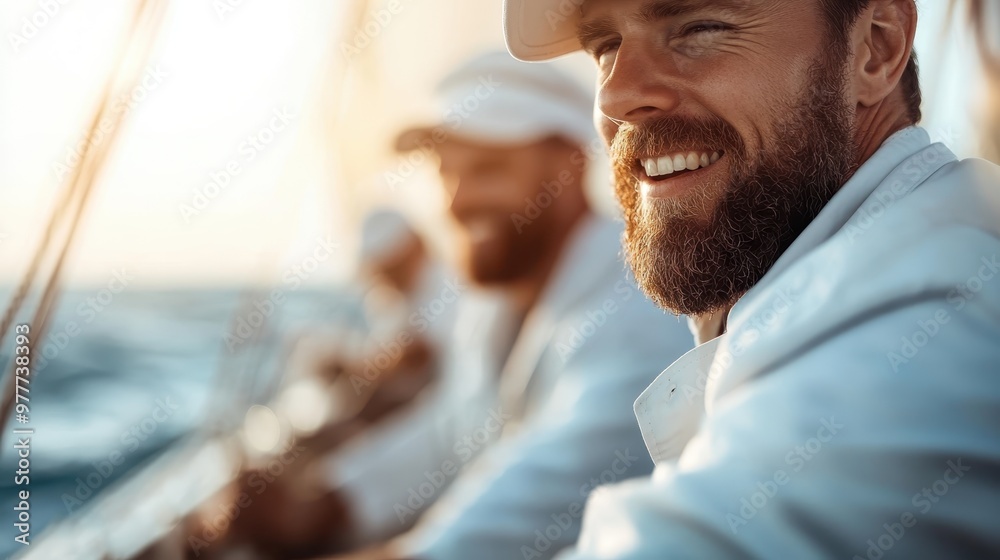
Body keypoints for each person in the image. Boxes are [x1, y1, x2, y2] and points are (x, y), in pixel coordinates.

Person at [502, 0, 1000, 558]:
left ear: (876, 49)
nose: (616, 97)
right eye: (606, 49)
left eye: (699, 28)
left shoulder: (940, 303)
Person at [190, 52, 693, 559]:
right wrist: (327, 504)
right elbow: (449, 435)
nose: (457, 201)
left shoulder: (639, 310)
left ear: (571, 165)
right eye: (445, 173)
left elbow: (511, 519)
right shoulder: (491, 309)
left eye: (488, 169)